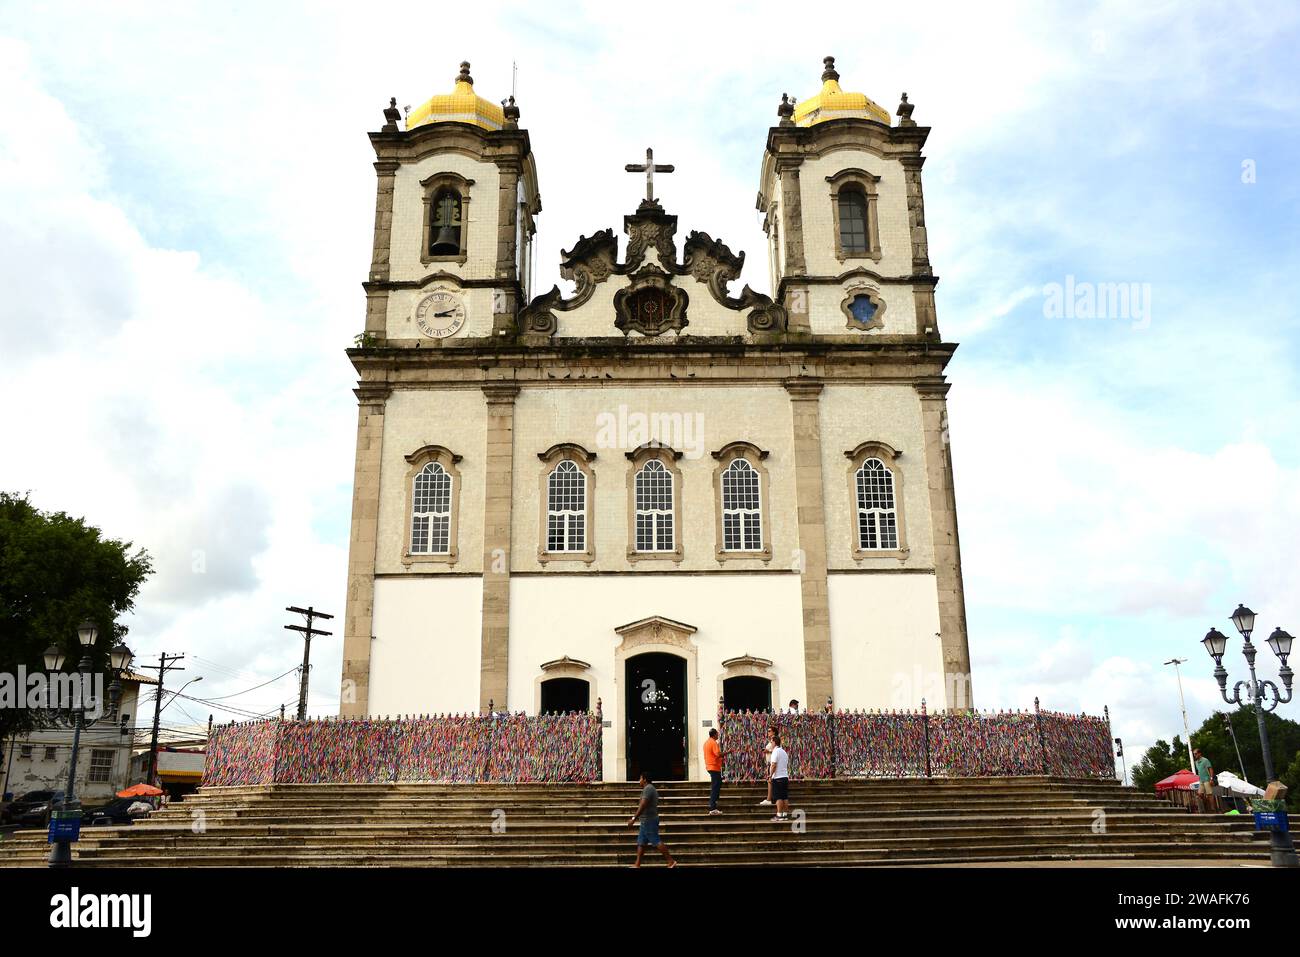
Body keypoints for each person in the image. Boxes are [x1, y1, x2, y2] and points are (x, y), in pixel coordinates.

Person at [628, 771, 676, 867]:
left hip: (649, 820)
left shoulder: (648, 789)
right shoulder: (649, 788)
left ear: (645, 779)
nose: (639, 781)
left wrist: (633, 818)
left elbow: (643, 804)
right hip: (645, 820)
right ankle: (637, 864)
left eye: (640, 778)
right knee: (641, 843)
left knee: (656, 840)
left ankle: (671, 861)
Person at [769, 733, 791, 822]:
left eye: (771, 742)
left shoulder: (775, 751)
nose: (771, 744)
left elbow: (773, 765)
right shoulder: (784, 752)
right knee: (784, 797)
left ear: (775, 742)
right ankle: (785, 815)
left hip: (778, 777)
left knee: (778, 797)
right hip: (785, 777)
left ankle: (779, 815)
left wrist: (770, 775)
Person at [704, 729, 724, 815]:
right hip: (714, 767)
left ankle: (714, 802)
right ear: (714, 735)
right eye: (717, 734)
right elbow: (718, 754)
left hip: (710, 766)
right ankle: (713, 808)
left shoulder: (706, 743)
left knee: (717, 784)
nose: (718, 735)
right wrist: (727, 752)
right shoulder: (713, 743)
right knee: (715, 787)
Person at [757, 726, 777, 806]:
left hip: (772, 763)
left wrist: (767, 751)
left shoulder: (774, 739)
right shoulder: (772, 740)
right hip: (770, 762)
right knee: (770, 781)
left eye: (769, 731)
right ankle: (771, 798)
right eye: (768, 731)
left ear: (774, 732)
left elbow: (776, 750)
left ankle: (769, 799)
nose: (768, 732)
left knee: (770, 781)